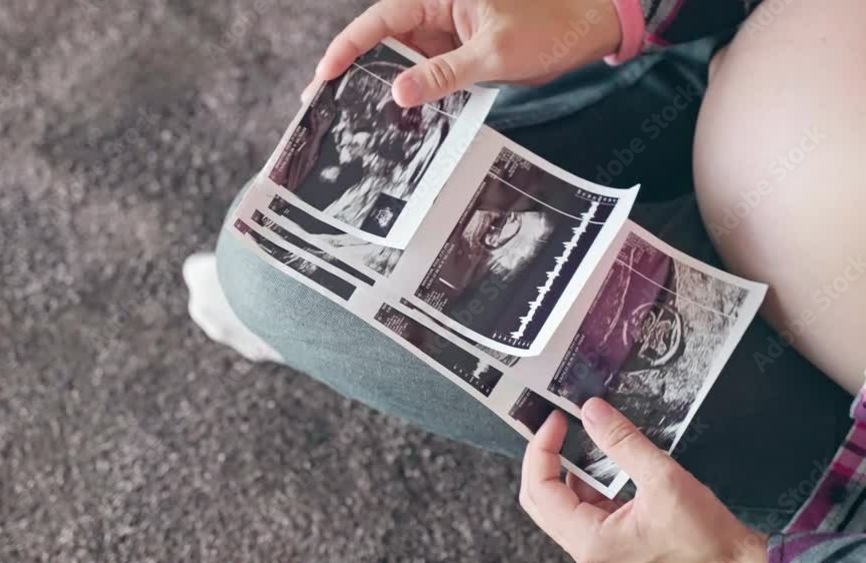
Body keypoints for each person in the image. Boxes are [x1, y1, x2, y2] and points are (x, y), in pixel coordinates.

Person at [186, 0, 866, 560]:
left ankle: (362, 357)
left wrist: (737, 558)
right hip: (725, 54)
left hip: (828, 424)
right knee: (295, 236)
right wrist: (608, 13)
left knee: (274, 281)